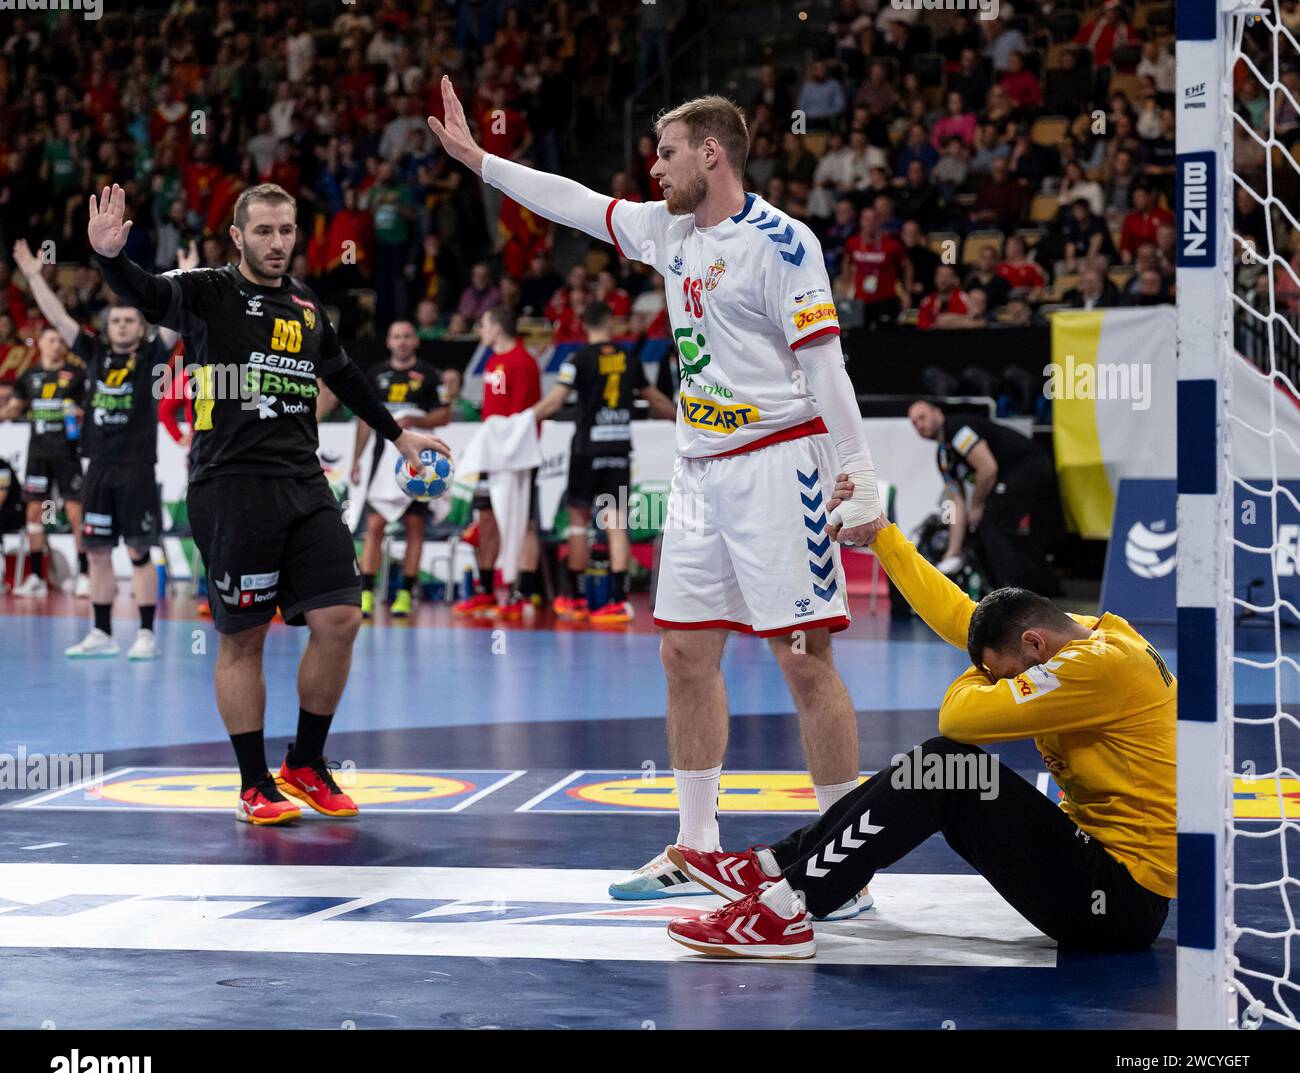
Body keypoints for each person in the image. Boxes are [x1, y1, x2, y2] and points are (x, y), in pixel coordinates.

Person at [428, 79, 883, 903]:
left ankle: (842, 865)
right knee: (682, 650)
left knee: (805, 656)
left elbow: (826, 366)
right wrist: (481, 161)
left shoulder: (784, 243)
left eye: (666, 150)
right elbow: (573, 204)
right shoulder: (665, 230)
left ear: (711, 152)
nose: (653, 164)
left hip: (782, 461)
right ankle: (697, 845)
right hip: (699, 471)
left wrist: (864, 473)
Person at [86, 181, 450, 825]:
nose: (278, 243)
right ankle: (255, 782)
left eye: (286, 231)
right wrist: (112, 259)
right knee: (244, 639)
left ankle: (305, 764)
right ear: (238, 237)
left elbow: (342, 374)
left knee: (341, 619)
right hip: (230, 488)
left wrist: (399, 436)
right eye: (264, 231)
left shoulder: (308, 305)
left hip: (304, 485)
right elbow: (147, 294)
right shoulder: (206, 291)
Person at [665, 504, 1174, 959]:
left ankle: (790, 905)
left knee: (946, 765)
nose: (1004, 685)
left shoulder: (1098, 667)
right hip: (1099, 871)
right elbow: (963, 619)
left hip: (1115, 904)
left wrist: (983, 674)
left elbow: (958, 719)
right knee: (944, 766)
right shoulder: (1086, 634)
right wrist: (883, 536)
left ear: (1035, 645)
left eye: (1006, 676)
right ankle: (778, 867)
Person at [12, 237, 188, 657]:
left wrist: (185, 274)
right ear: (107, 327)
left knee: (139, 552)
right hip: (98, 468)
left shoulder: (151, 358)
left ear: (140, 327)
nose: (123, 326)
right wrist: (35, 277)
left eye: (130, 320)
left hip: (137, 467)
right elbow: (57, 315)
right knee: (98, 552)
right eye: (117, 321)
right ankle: (103, 633)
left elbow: (175, 318)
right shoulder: (91, 354)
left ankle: (145, 634)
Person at [531, 301, 675, 623]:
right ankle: (616, 601)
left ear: (584, 325)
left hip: (586, 450)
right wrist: (683, 418)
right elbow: (655, 399)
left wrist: (522, 420)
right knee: (616, 522)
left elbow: (554, 402)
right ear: (610, 323)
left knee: (579, 520)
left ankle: (576, 598)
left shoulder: (577, 359)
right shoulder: (628, 357)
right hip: (618, 449)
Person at [348, 319, 449, 620]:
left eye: (407, 336)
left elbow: (444, 414)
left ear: (415, 341)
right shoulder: (375, 375)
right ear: (389, 342)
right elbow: (365, 420)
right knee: (375, 525)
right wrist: (355, 459)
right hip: (383, 463)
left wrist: (414, 421)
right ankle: (366, 592)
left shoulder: (431, 375)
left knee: (415, 526)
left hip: (419, 463)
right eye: (396, 336)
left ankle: (405, 592)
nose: (402, 341)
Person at [907, 400, 1061, 596]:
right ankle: (1033, 587)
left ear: (938, 413)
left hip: (1029, 465)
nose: (919, 425)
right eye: (914, 423)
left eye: (922, 417)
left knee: (991, 521)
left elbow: (988, 469)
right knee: (987, 528)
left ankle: (1013, 593)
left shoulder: (958, 430)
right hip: (1012, 476)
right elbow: (956, 503)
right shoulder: (944, 458)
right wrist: (952, 551)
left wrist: (977, 505)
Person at [453, 306, 543, 620]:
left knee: (523, 520)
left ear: (497, 326)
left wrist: (511, 446)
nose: (481, 330)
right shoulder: (493, 361)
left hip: (517, 455)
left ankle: (522, 591)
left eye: (484, 324)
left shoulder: (523, 361)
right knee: (487, 518)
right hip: (490, 454)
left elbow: (524, 414)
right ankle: (487, 589)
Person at [2, 325, 86, 598]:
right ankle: (36, 576)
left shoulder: (76, 374)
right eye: (51, 339)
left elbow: (88, 407)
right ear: (40, 343)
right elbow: (14, 407)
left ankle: (83, 574)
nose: (57, 345)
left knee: (75, 513)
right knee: (34, 513)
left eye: (60, 341)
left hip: (67, 453)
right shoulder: (30, 375)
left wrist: (79, 412)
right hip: (37, 455)